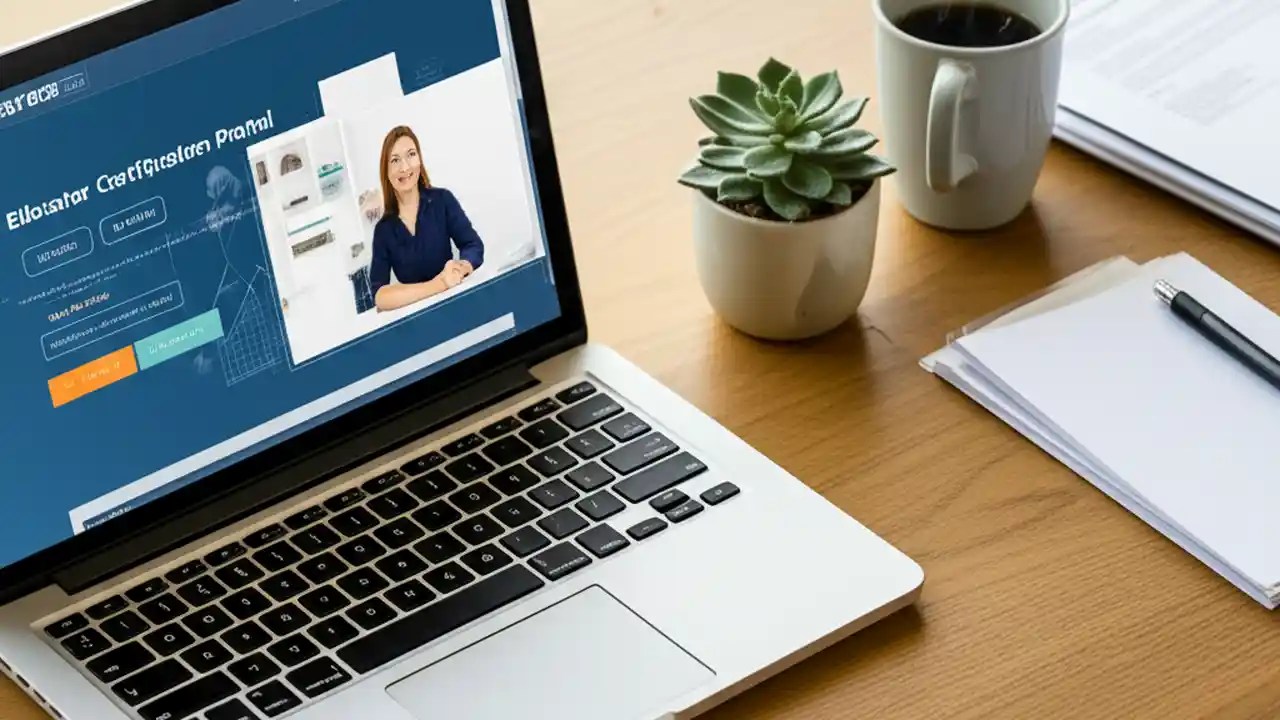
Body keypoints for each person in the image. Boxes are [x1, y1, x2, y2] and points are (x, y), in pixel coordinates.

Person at [369, 125, 484, 311]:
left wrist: (460, 268)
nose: (404, 167)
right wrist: (439, 285)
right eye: (395, 160)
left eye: (411, 155)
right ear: (386, 171)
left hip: (456, 303)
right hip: (417, 317)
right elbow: (380, 295)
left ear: (420, 160)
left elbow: (472, 245)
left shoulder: (442, 200)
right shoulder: (384, 230)